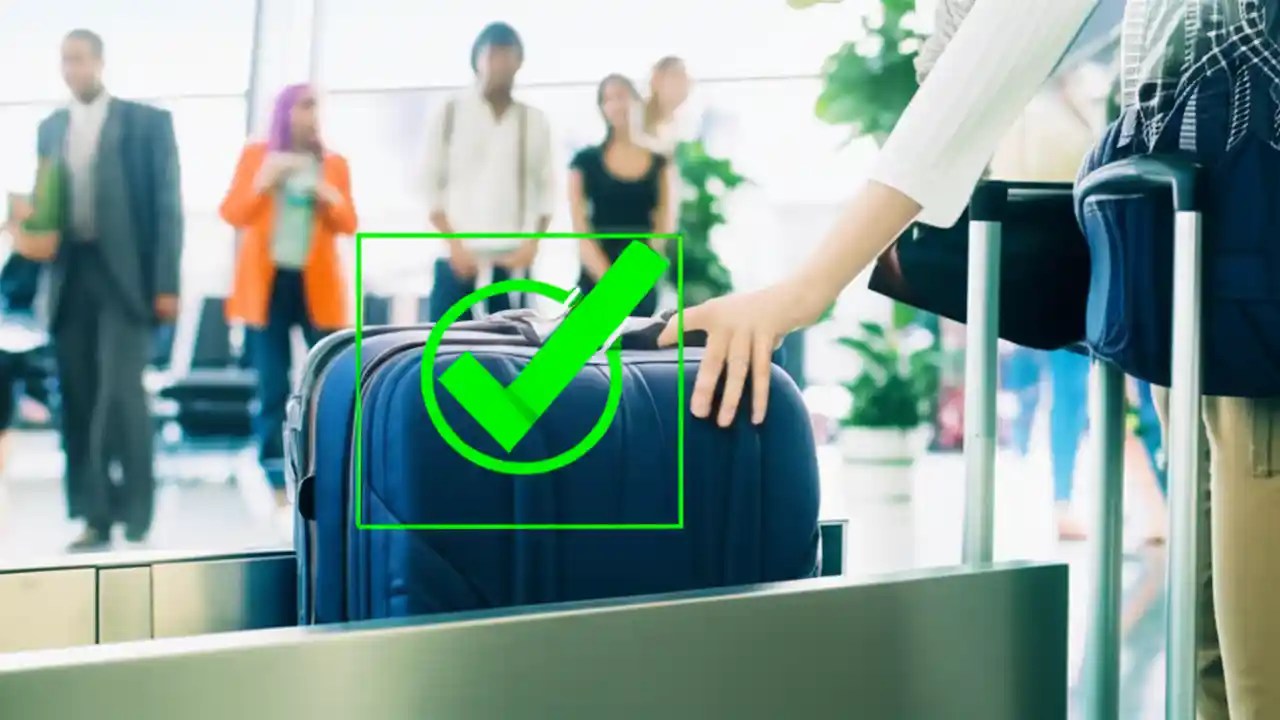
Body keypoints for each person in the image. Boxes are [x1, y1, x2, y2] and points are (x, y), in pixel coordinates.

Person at [661, 1, 1277, 716]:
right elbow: (960, 57)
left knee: (1259, 670)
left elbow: (1004, 44)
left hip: (1247, 254)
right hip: (1193, 258)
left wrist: (810, 283)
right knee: (1216, 662)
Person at [9, 30, 183, 551]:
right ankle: (93, 513)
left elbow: (167, 206)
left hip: (127, 279)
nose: (72, 69)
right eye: (65, 61)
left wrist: (166, 283)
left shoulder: (145, 124)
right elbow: (48, 201)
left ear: (100, 62)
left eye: (79, 59)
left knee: (121, 396)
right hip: (69, 276)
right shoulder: (50, 127)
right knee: (79, 398)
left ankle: (136, 511)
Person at [220, 84, 357, 521]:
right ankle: (274, 477)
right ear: (285, 112)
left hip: (316, 288)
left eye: (315, 107)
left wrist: (327, 196)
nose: (310, 115)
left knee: (330, 378)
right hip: (267, 287)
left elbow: (349, 223)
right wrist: (266, 181)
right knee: (272, 384)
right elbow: (232, 212)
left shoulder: (333, 164)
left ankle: (333, 463)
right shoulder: (257, 157)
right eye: (302, 106)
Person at [422, 22, 555, 321]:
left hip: (511, 261)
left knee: (509, 358)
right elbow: (430, 186)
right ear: (477, 59)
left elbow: (547, 190)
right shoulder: (450, 113)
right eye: (493, 55)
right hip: (455, 258)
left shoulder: (533, 120)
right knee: (448, 356)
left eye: (509, 56)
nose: (501, 64)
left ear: (520, 63)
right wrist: (455, 245)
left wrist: (532, 245)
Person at [568, 74, 675, 318]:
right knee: (574, 353)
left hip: (640, 278)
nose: (617, 105)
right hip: (594, 278)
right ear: (602, 108)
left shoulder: (661, 162)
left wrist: (630, 282)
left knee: (634, 353)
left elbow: (663, 227)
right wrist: (610, 287)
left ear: (637, 101)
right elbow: (580, 230)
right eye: (609, 99)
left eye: (622, 97)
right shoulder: (583, 162)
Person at [640, 56, 692, 157]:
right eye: (676, 76)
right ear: (657, 80)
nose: (684, 82)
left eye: (685, 77)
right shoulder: (637, 115)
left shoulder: (685, 122)